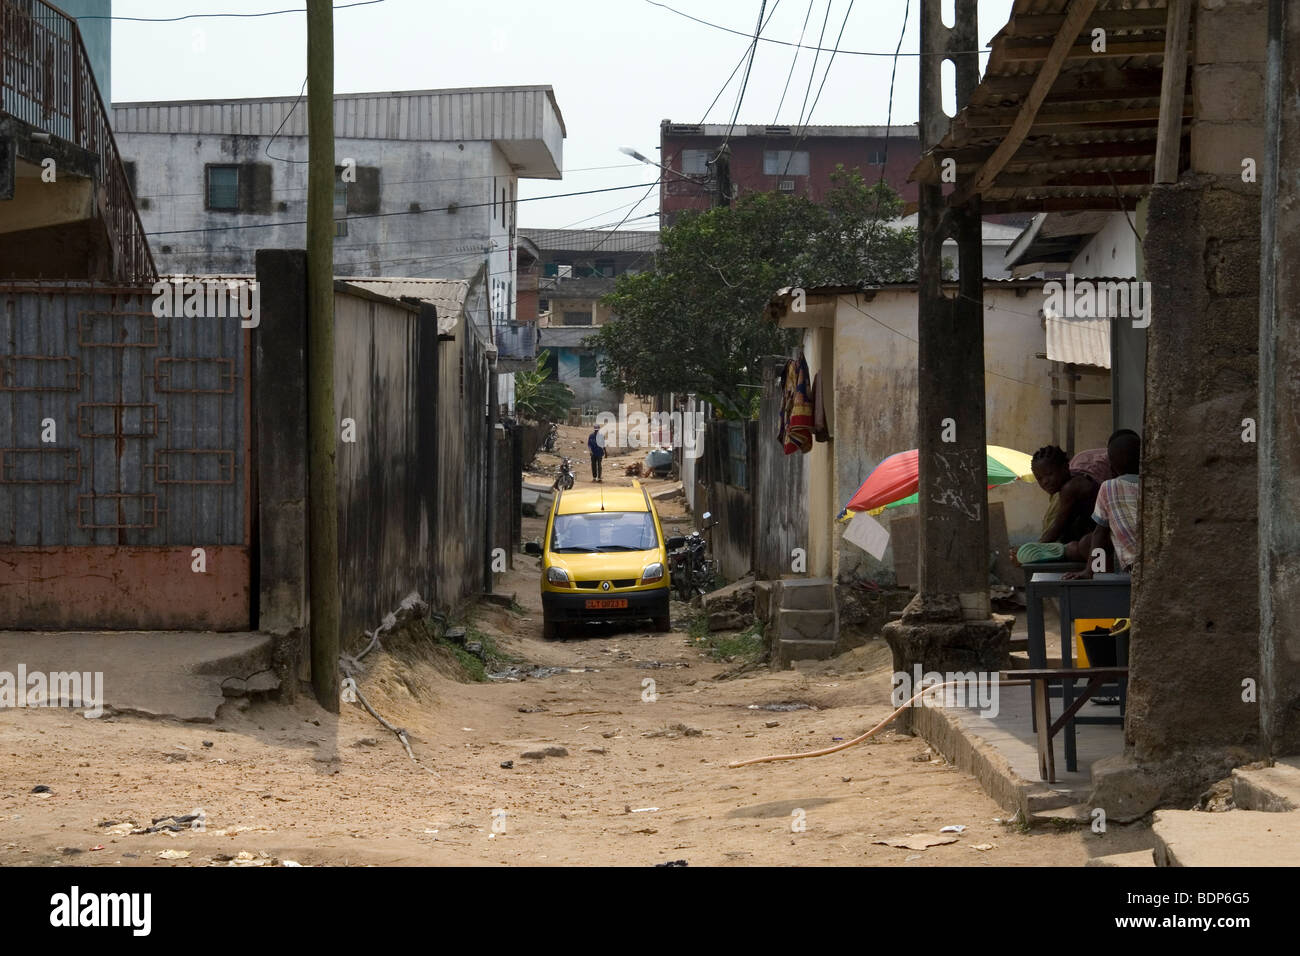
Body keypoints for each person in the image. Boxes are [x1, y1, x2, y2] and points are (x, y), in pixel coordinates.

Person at [1065, 429, 1141, 579]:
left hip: (1134, 567)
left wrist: (1091, 571)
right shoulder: (1156, 485)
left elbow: (1099, 534)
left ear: (1111, 468)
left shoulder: (1108, 488)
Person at [1030, 445, 1104, 545]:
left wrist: (1035, 548)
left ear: (1065, 468)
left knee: (1073, 549)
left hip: (1098, 542)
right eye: (1039, 478)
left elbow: (1057, 527)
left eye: (1049, 474)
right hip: (1092, 539)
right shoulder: (1064, 488)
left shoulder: (1071, 487)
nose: (1045, 481)